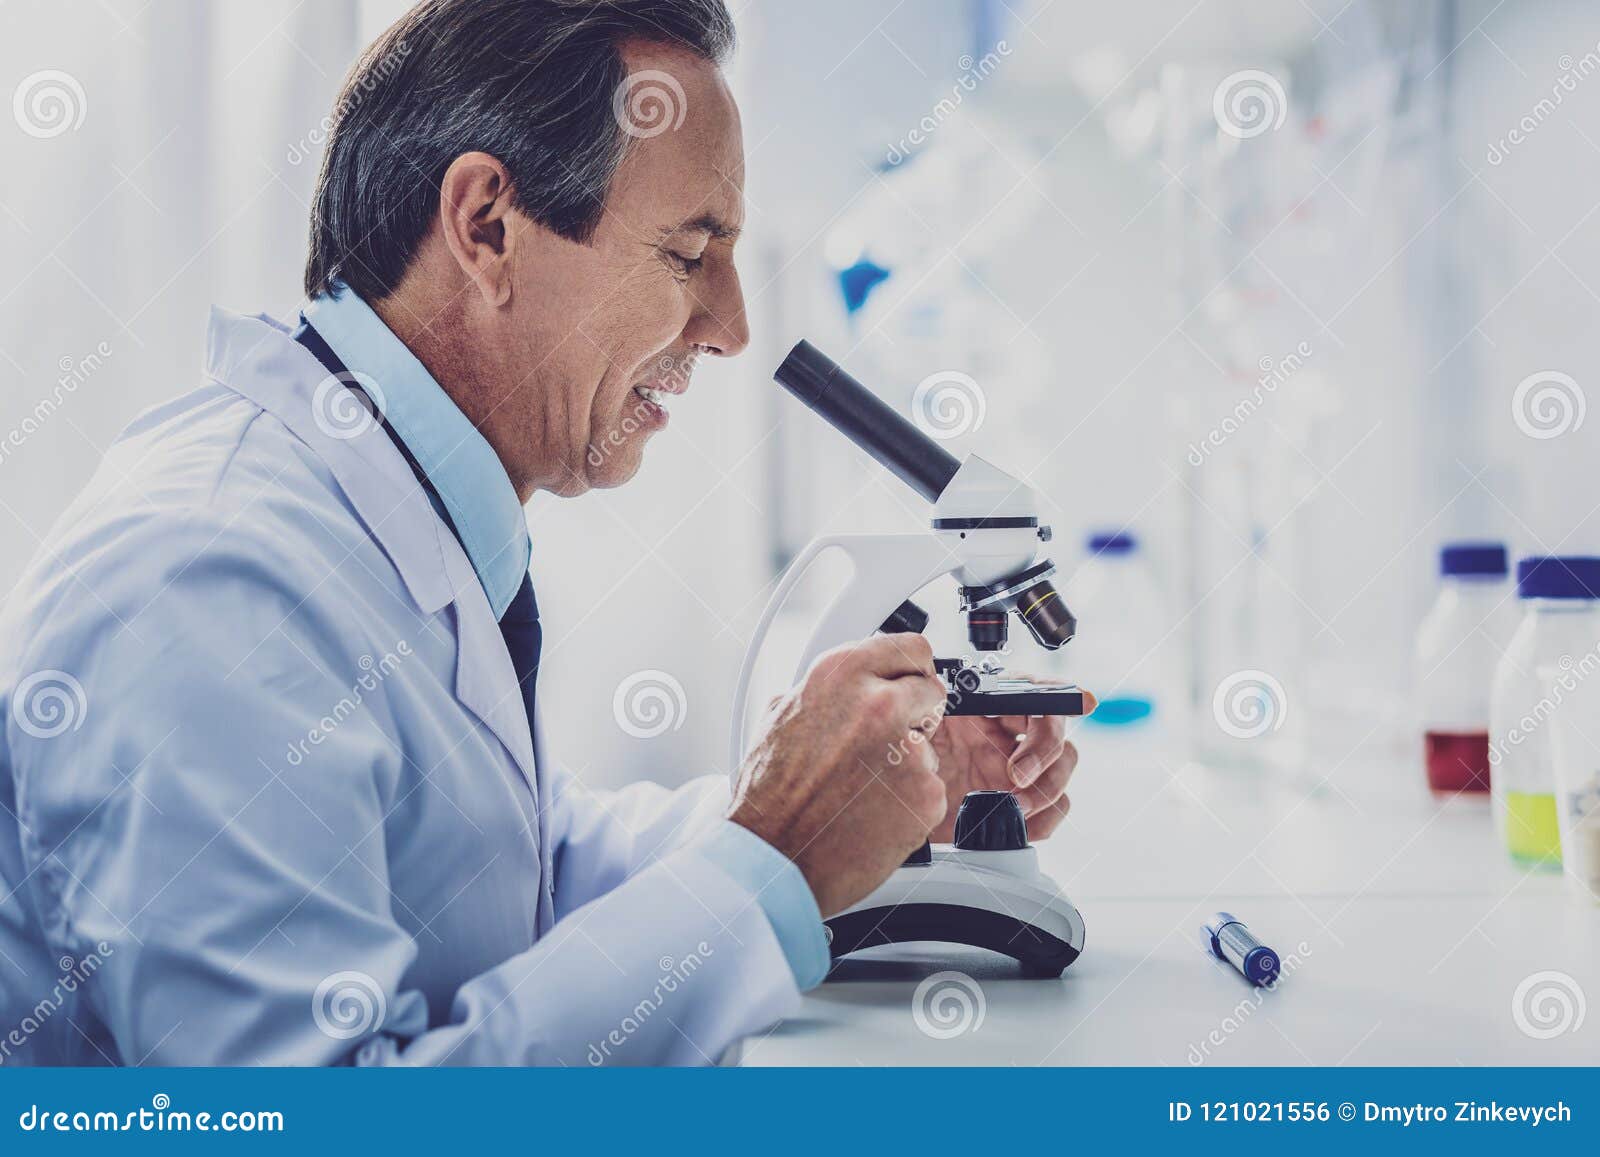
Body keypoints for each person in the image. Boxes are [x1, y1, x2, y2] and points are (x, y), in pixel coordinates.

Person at [0, 0, 1084, 1066]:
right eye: (687, 252)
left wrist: (850, 801)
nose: (731, 329)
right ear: (486, 226)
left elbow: (518, 875)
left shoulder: (393, 513)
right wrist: (777, 854)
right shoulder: (215, 585)